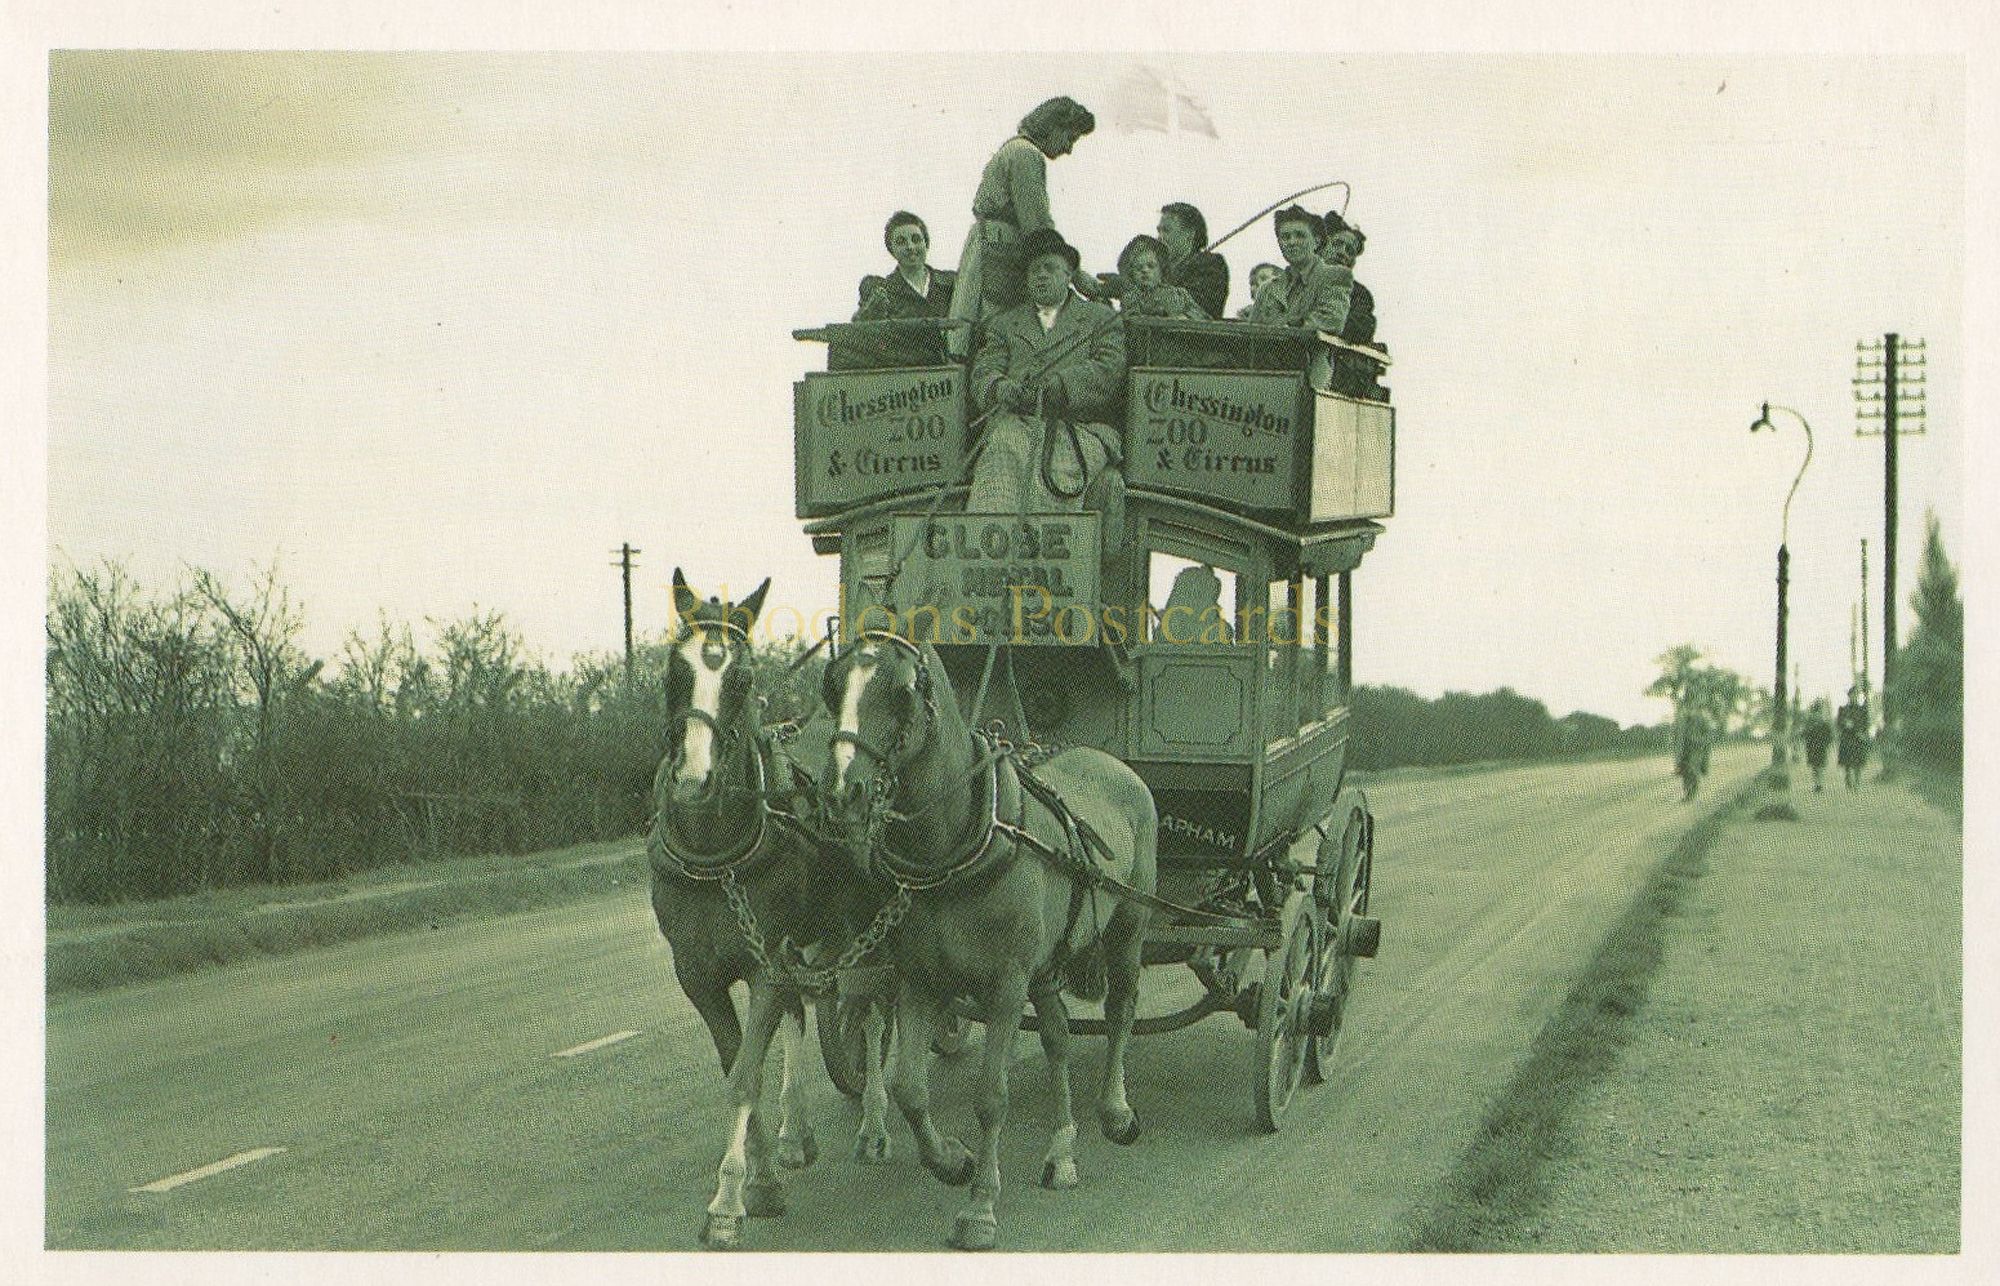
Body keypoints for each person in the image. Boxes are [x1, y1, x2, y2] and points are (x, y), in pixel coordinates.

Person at [966, 229, 1125, 523]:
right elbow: (984, 370)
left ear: (1068, 276)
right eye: (1034, 270)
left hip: (1080, 428)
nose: (1041, 275)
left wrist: (1060, 385)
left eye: (1050, 268)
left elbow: (1108, 370)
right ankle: (992, 555)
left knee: (1058, 477)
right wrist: (1000, 387)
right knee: (999, 462)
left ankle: (1048, 563)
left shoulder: (1101, 319)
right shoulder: (1003, 324)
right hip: (1016, 425)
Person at [946, 96, 1098, 355]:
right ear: (1055, 127)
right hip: (1000, 254)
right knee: (1000, 334)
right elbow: (1037, 226)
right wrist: (1076, 274)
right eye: (1069, 139)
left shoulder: (1014, 150)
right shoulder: (1026, 155)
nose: (1068, 149)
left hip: (992, 247)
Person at [1247, 205, 1352, 334]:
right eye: (1285, 237)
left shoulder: (1333, 277)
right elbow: (1250, 333)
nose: (1292, 242)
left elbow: (1331, 321)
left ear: (1316, 242)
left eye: (1300, 235)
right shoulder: (1267, 289)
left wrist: (1287, 324)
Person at [854, 211, 956, 321]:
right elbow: (860, 329)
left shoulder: (952, 282)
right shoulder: (883, 290)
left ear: (926, 243)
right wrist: (870, 311)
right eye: (901, 242)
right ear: (891, 250)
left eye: (916, 239)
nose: (910, 247)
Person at [1157, 202, 1229, 320]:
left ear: (1189, 234)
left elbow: (1199, 306)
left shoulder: (1210, 264)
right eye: (1159, 231)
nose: (1159, 237)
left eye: (1166, 230)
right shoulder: (1157, 270)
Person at [1114, 235, 1206, 320]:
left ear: (1161, 269)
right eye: (1138, 268)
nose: (1145, 271)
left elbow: (1201, 316)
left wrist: (1186, 317)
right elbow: (1131, 321)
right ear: (1131, 274)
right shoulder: (1131, 298)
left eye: (1151, 266)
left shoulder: (1180, 294)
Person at [1837, 686, 1870, 790]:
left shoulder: (1862, 710)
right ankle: (1848, 779)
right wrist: (1844, 724)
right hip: (1847, 738)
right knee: (1847, 761)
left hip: (1858, 738)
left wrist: (1862, 732)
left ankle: (1857, 782)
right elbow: (1838, 723)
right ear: (1849, 696)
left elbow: (1866, 724)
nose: (1854, 697)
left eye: (1856, 695)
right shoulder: (1843, 709)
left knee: (1858, 761)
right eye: (1852, 695)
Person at [1800, 698, 1835, 793]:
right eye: (1816, 712)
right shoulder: (1809, 723)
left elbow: (1830, 735)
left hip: (1821, 747)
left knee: (1820, 766)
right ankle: (1816, 783)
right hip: (1812, 747)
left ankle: (1819, 783)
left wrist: (1827, 744)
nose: (1817, 715)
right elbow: (1804, 734)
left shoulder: (1825, 724)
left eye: (1819, 712)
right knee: (1815, 767)